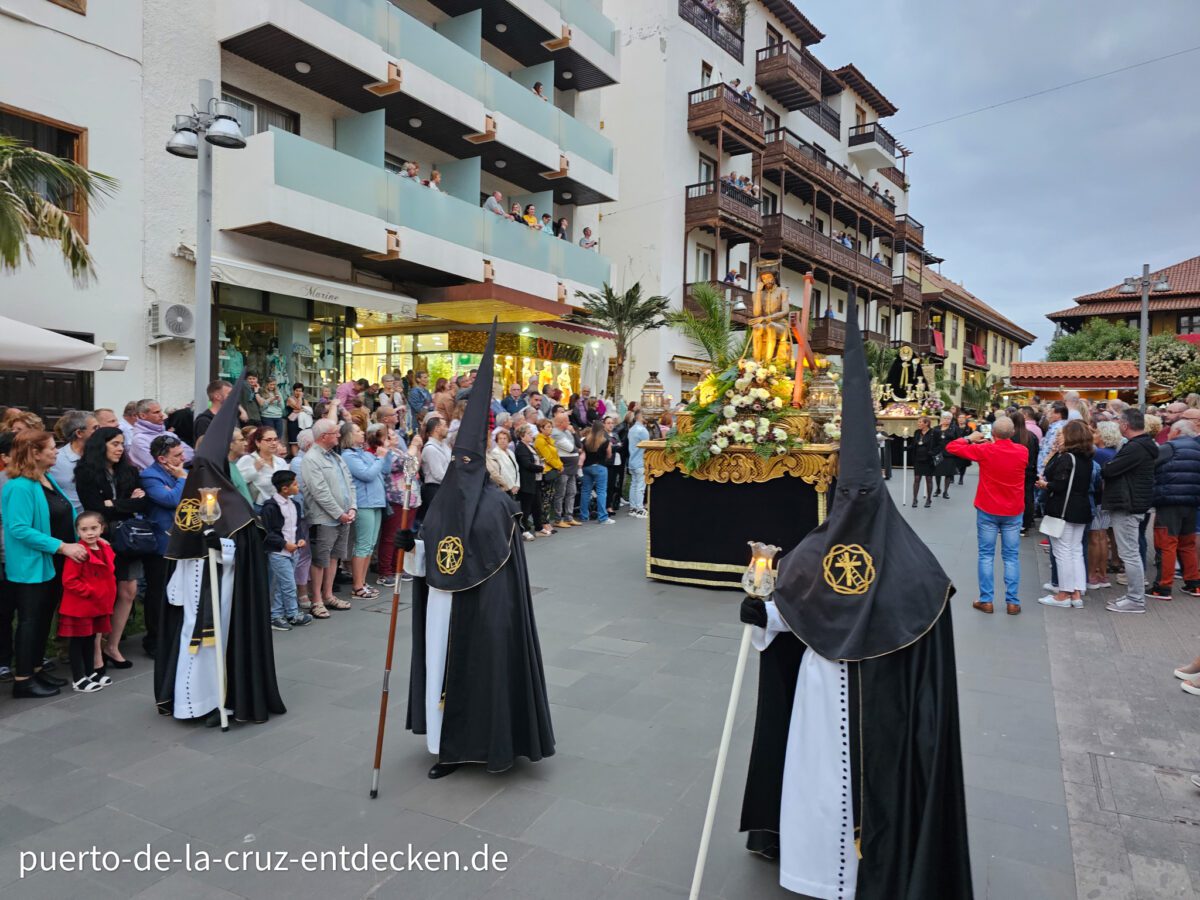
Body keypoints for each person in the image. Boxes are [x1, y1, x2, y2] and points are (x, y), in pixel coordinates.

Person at [738, 311, 971, 895]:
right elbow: (788, 611)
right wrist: (761, 605)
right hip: (818, 696)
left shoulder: (915, 567)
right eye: (847, 492)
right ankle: (813, 870)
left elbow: (923, 639)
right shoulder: (818, 550)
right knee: (815, 781)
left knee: (860, 788)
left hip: (883, 707)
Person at [398, 320, 554, 778]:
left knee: (485, 670)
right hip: (444, 606)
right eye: (458, 460)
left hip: (484, 608)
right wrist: (412, 546)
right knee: (441, 669)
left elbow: (503, 564)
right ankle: (445, 746)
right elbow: (430, 551)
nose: (462, 467)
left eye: (470, 461)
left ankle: (491, 742)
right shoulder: (443, 501)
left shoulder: (498, 505)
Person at [155, 374, 286, 725]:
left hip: (226, 591)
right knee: (191, 640)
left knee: (219, 643)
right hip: (193, 588)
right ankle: (189, 702)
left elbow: (247, 546)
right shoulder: (191, 499)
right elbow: (180, 543)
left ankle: (222, 700)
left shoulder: (235, 504)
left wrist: (223, 546)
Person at [3, 430, 86, 698]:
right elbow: (19, 529)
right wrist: (62, 546)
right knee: (30, 620)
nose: (56, 451)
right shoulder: (19, 486)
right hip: (31, 565)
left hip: (53, 562)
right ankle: (23, 680)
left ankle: (36, 668)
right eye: (51, 447)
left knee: (43, 618)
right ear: (34, 453)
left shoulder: (45, 478)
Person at [75, 426, 148, 670]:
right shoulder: (86, 472)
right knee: (103, 594)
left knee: (128, 591)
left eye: (121, 444)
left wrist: (114, 503)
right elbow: (95, 508)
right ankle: (96, 651)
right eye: (114, 444)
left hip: (128, 538)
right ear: (101, 445)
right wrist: (126, 503)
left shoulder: (129, 471)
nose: (120, 449)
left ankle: (112, 646)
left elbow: (143, 502)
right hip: (101, 540)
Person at [945, 416, 1028, 615]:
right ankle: (1012, 602)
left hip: (988, 507)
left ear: (993, 433)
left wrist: (969, 438)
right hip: (1013, 509)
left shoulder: (985, 450)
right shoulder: (1022, 451)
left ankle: (986, 600)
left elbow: (951, 447)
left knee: (986, 555)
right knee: (1011, 557)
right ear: (1013, 433)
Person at [1101, 408, 1159, 614]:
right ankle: (1134, 597)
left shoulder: (1136, 447)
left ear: (1125, 425)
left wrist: (1108, 466)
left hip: (1128, 504)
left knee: (1130, 553)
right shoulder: (1143, 445)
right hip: (1132, 502)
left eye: (1119, 423)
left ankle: (1136, 599)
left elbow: (1110, 469)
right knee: (1130, 552)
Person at [301, 418, 358, 618]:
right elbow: (319, 492)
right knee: (320, 559)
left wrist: (352, 507)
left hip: (342, 516)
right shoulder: (311, 459)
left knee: (334, 557)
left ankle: (328, 595)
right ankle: (316, 600)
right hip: (323, 518)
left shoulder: (336, 457)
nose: (339, 435)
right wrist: (339, 513)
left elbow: (349, 484)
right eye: (335, 432)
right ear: (324, 436)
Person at [1037, 420, 1094, 610]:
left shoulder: (1067, 458)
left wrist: (1045, 485)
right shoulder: (1087, 458)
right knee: (1075, 550)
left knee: (1062, 551)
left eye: (1062, 434)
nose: (1058, 437)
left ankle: (1063, 594)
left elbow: (1058, 484)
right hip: (1081, 508)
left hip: (1063, 508)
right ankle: (1076, 592)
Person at [58, 510, 116, 693]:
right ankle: (78, 678)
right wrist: (91, 591)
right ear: (78, 531)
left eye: (94, 528)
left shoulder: (104, 548)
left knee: (91, 639)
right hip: (80, 606)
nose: (89, 533)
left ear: (102, 528)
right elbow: (69, 580)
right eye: (84, 529)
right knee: (78, 641)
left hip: (96, 604)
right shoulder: (79, 552)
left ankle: (90, 673)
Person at [140, 434, 185, 655]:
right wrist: (182, 480)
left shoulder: (177, 473)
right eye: (177, 455)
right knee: (158, 592)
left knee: (179, 590)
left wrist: (178, 485)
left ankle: (175, 634)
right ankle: (155, 640)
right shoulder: (150, 476)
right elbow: (171, 500)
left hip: (181, 540)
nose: (183, 458)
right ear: (162, 459)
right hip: (160, 543)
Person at [342, 422, 395, 600]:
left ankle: (362, 582)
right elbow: (367, 474)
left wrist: (387, 451)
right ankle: (357, 586)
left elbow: (385, 470)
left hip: (376, 502)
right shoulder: (349, 455)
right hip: (364, 503)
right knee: (363, 544)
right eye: (357, 431)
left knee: (370, 545)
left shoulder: (363, 453)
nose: (362, 433)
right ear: (349, 435)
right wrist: (380, 458)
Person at [1148, 419, 1200, 600]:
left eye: (1170, 431)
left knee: (1166, 544)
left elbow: (1149, 465)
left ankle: (1163, 587)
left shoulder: (1169, 447)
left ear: (1177, 432)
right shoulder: (1197, 448)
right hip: (1192, 501)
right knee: (1187, 544)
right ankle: (1194, 583)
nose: (1168, 434)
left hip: (1169, 501)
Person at [261, 470, 312, 631]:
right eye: (295, 484)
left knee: (280, 584)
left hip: (293, 552)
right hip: (279, 553)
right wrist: (284, 544)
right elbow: (268, 532)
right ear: (285, 488)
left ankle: (277, 615)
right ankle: (292, 613)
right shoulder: (270, 507)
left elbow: (296, 528)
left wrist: (300, 539)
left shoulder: (295, 505)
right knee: (289, 584)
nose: (298, 487)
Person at [49, 409, 96, 513]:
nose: (100, 432)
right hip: (69, 519)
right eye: (95, 428)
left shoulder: (101, 455)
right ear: (79, 433)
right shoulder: (56, 459)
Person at [127, 399, 194, 470]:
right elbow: (157, 466)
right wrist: (178, 459)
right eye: (156, 412)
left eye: (161, 411)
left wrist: (173, 459)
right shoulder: (140, 440)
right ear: (143, 416)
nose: (162, 415)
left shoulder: (169, 434)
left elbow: (191, 454)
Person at [235, 425, 289, 508]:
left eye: (275, 439)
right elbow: (237, 483)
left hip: (282, 505)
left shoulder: (280, 461)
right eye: (268, 440)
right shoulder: (248, 459)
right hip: (259, 507)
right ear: (258, 443)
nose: (274, 443)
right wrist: (254, 469)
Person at [514, 423, 550, 539]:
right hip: (527, 481)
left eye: (531, 433)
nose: (531, 435)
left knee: (537, 506)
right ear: (522, 436)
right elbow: (527, 464)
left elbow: (536, 460)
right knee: (526, 507)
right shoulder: (520, 448)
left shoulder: (530, 446)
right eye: (529, 434)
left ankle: (539, 528)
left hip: (536, 480)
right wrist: (541, 468)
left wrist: (541, 463)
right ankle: (524, 530)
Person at [1009, 410, 1040, 535]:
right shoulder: (1031, 436)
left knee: (1012, 496)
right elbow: (1036, 454)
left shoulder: (1010, 437)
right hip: (1029, 471)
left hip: (1013, 472)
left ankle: (1011, 521)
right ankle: (1026, 523)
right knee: (1028, 497)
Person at [551, 409, 581, 526]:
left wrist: (573, 432)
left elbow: (579, 444)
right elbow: (572, 449)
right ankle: (558, 519)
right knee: (561, 493)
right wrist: (578, 449)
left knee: (571, 492)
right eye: (567, 421)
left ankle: (569, 517)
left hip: (572, 468)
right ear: (560, 422)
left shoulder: (568, 431)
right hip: (563, 467)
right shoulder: (556, 433)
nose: (569, 423)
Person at [579, 420, 612, 524]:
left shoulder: (585, 440)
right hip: (600, 466)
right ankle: (602, 517)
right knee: (601, 492)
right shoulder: (605, 441)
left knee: (585, 491)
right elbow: (609, 455)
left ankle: (584, 516)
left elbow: (582, 452)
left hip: (586, 467)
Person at [534, 418, 564, 529]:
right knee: (545, 498)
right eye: (548, 427)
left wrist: (560, 465)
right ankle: (544, 523)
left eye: (551, 427)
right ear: (541, 429)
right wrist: (559, 466)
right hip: (546, 471)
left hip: (552, 470)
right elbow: (548, 458)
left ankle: (546, 521)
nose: (550, 429)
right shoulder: (540, 441)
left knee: (549, 497)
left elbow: (555, 455)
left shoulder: (548, 439)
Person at [419, 415, 451, 517]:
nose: (447, 429)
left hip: (445, 487)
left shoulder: (444, 445)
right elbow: (438, 474)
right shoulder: (430, 449)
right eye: (445, 426)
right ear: (437, 428)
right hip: (434, 489)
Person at [907, 416, 939, 508]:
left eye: (920, 422)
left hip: (928, 459)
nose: (918, 424)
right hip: (918, 459)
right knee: (917, 478)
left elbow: (940, 445)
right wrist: (906, 447)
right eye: (918, 422)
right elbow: (913, 444)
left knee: (928, 479)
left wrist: (933, 452)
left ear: (926, 423)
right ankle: (915, 499)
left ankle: (929, 499)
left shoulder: (934, 432)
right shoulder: (917, 432)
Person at [626, 410, 650, 518]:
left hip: (632, 460)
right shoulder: (642, 430)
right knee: (640, 487)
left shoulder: (631, 429)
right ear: (640, 417)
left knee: (634, 484)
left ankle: (633, 508)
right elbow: (648, 446)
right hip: (640, 461)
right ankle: (640, 509)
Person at [931, 412, 958, 500]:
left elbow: (957, 441)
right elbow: (933, 442)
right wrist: (932, 452)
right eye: (945, 418)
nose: (946, 420)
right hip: (938, 453)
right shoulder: (936, 429)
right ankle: (938, 489)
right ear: (941, 419)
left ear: (951, 420)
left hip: (949, 454)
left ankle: (945, 491)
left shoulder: (954, 429)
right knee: (937, 472)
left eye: (949, 418)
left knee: (948, 473)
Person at [487, 428, 520, 497]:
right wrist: (511, 486)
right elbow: (503, 471)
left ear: (508, 440)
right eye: (500, 439)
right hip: (505, 487)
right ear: (497, 441)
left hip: (514, 487)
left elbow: (516, 470)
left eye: (505, 438)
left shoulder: (511, 452)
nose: (502, 440)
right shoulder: (495, 453)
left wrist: (517, 485)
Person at [285, 382, 312, 455]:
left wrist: (299, 410)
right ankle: (295, 458)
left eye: (300, 391)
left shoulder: (305, 400)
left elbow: (309, 410)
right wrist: (300, 399)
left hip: (303, 423)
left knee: (302, 440)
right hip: (293, 423)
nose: (298, 392)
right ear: (293, 391)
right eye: (296, 390)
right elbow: (298, 407)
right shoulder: (290, 399)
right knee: (294, 441)